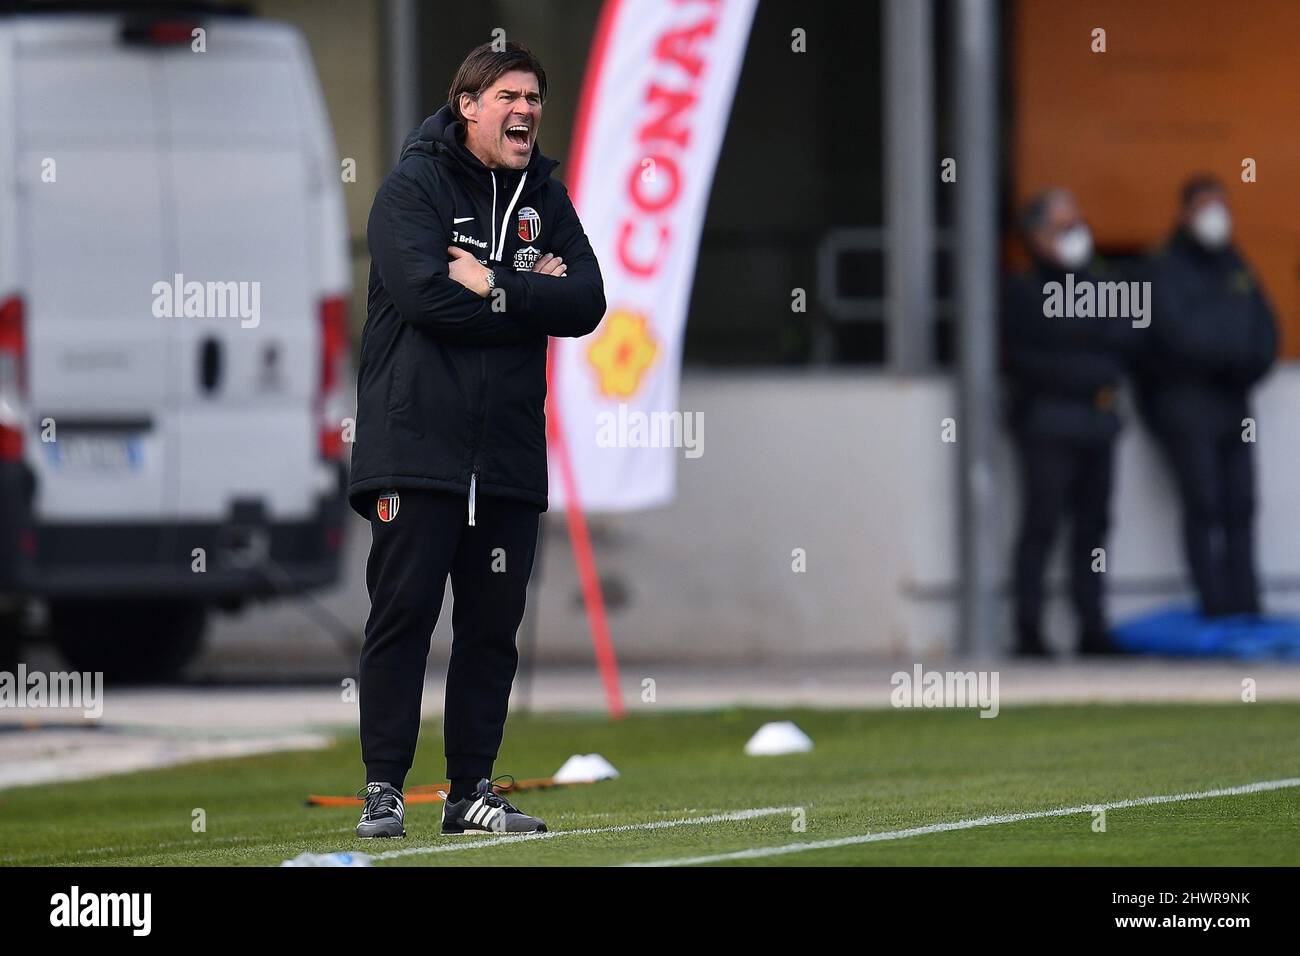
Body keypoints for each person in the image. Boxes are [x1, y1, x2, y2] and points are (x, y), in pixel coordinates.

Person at [348, 41, 605, 837]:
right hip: (415, 452)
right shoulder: (410, 189)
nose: (526, 110)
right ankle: (385, 788)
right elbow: (427, 302)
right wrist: (530, 299)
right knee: (404, 618)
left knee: (491, 631)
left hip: (506, 457)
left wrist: (493, 283)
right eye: (509, 97)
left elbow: (589, 303)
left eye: (534, 96)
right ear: (468, 104)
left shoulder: (545, 198)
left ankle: (471, 793)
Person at [1001, 189, 1135, 657]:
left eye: (1076, 224)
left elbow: (1122, 342)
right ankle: (1028, 631)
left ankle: (1092, 627)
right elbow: (1027, 358)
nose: (1074, 235)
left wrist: (1081, 350)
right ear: (1037, 237)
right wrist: (1084, 354)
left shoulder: (1100, 284)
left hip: (1098, 422)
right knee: (1041, 525)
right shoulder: (1022, 290)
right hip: (1048, 423)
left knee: (1094, 528)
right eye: (1062, 227)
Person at [1137, 175, 1277, 619]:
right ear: (1185, 213)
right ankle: (1214, 605)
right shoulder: (1163, 266)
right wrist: (1229, 355)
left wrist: (1245, 362)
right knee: (1205, 503)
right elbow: (1177, 337)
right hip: (1185, 405)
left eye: (1222, 206)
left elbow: (1264, 329)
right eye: (1206, 207)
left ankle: (1246, 602)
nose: (1217, 217)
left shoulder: (1235, 263)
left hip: (1234, 403)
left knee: (1242, 503)